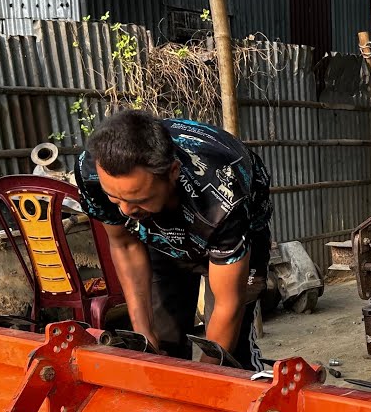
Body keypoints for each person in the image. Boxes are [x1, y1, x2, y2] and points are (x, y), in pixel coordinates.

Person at [75, 110, 273, 369]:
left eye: (138, 199)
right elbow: (124, 244)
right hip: (162, 233)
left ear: (173, 172)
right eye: (115, 199)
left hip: (231, 231)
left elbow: (228, 304)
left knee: (231, 357)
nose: (124, 211)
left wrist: (204, 377)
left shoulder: (223, 200)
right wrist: (144, 334)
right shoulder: (92, 170)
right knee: (161, 348)